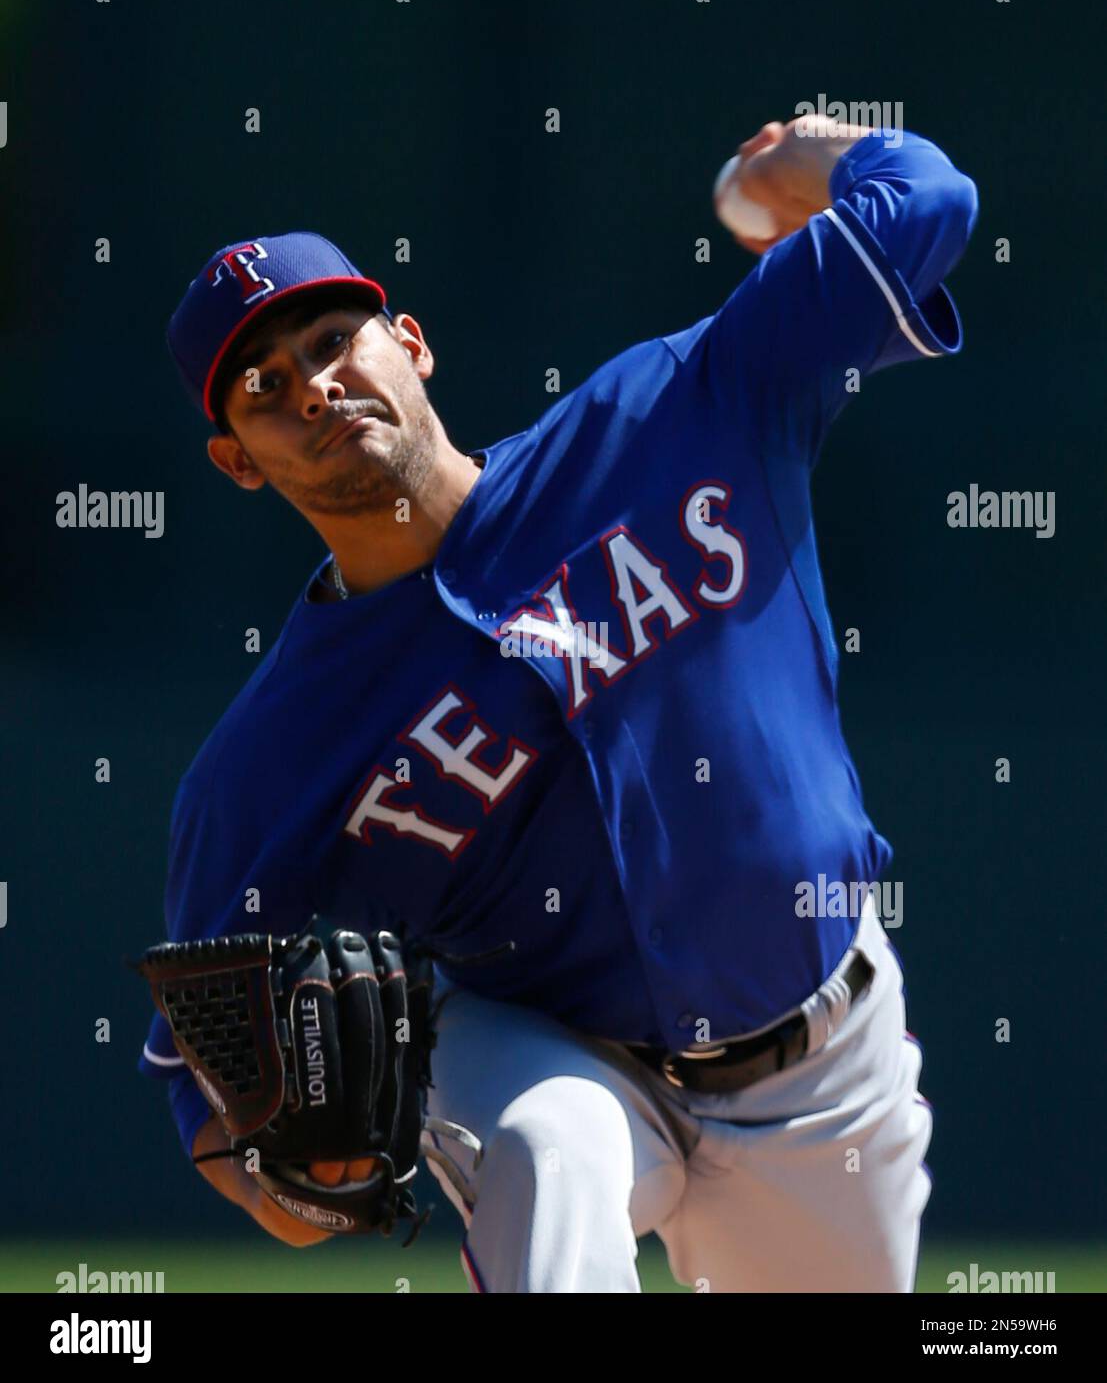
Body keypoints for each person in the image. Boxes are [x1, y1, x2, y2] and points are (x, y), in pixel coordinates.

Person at [139, 113, 978, 1291]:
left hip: (820, 1059)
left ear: (410, 345)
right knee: (548, 1146)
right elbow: (204, 1096)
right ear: (237, 457)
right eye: (266, 387)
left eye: (336, 338)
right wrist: (299, 1193)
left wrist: (819, 156)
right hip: (550, 1049)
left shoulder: (672, 411)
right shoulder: (266, 764)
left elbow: (931, 201)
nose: (318, 384)